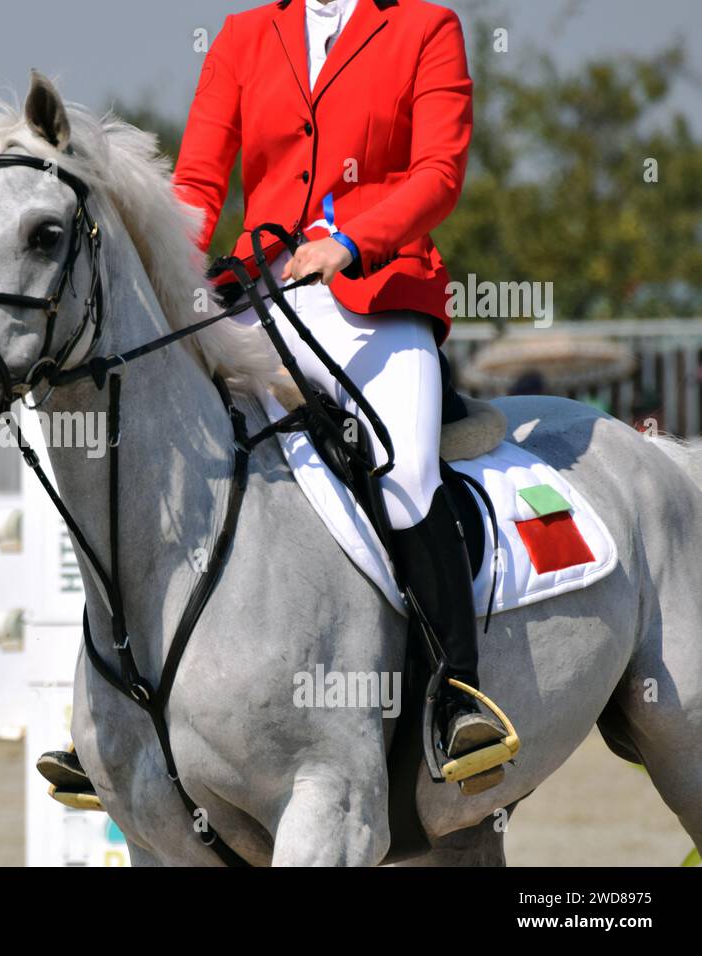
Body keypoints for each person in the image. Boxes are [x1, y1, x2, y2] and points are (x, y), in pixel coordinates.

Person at [172, 0, 505, 761]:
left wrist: (352, 241)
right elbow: (196, 181)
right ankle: (119, 717)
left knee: (406, 473)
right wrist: (167, 267)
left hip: (376, 297)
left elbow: (438, 174)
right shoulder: (245, 35)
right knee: (165, 442)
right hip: (257, 295)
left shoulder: (425, 26)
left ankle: (459, 695)